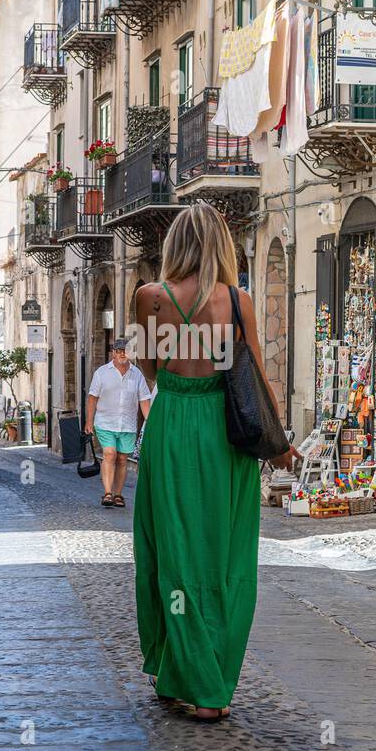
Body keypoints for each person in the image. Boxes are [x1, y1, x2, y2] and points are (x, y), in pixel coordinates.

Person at [132, 202, 299, 722]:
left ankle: (173, 669)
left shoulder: (149, 299)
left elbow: (151, 369)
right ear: (222, 248)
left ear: (175, 245)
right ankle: (210, 689)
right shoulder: (239, 300)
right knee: (225, 556)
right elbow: (257, 380)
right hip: (225, 436)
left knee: (169, 552)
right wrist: (279, 443)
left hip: (172, 427)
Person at [85, 339, 154, 508]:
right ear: (113, 353)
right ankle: (108, 493)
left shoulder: (136, 374)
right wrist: (89, 421)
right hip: (105, 422)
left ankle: (118, 494)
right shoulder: (102, 373)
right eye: (119, 350)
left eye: (126, 350)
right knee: (109, 454)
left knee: (122, 459)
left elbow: (144, 400)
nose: (122, 353)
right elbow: (93, 398)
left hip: (127, 424)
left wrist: (150, 423)